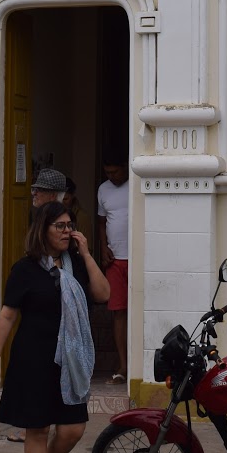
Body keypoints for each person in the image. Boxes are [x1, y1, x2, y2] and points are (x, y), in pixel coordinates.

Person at [0, 200, 110, 453]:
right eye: (60, 226)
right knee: (38, 430)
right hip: (33, 360)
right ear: (43, 229)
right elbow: (7, 316)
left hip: (69, 362)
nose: (66, 231)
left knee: (73, 429)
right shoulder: (24, 269)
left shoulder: (75, 265)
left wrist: (86, 254)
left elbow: (103, 293)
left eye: (69, 226)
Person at [95, 156, 130, 384]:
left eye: (115, 172)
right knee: (118, 312)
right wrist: (103, 247)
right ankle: (123, 365)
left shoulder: (135, 184)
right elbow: (101, 222)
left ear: (125, 167)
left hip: (136, 259)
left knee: (136, 311)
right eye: (108, 172)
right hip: (114, 260)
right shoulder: (103, 189)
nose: (111, 177)